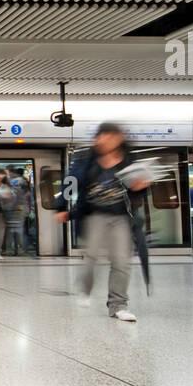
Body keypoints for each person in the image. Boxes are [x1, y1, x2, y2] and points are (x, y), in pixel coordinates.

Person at [54, 122, 149, 322]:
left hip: (120, 216)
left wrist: (140, 186)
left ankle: (118, 306)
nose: (106, 140)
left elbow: (136, 189)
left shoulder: (128, 161)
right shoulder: (86, 160)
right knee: (91, 257)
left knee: (121, 261)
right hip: (94, 214)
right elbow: (71, 182)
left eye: (112, 136)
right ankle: (85, 289)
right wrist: (62, 208)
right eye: (103, 136)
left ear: (119, 139)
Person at [1, 174, 28, 257]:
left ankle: (8, 250)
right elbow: (23, 202)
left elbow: (5, 203)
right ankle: (19, 250)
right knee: (18, 232)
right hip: (19, 213)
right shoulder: (18, 190)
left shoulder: (7, 190)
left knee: (9, 232)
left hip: (11, 212)